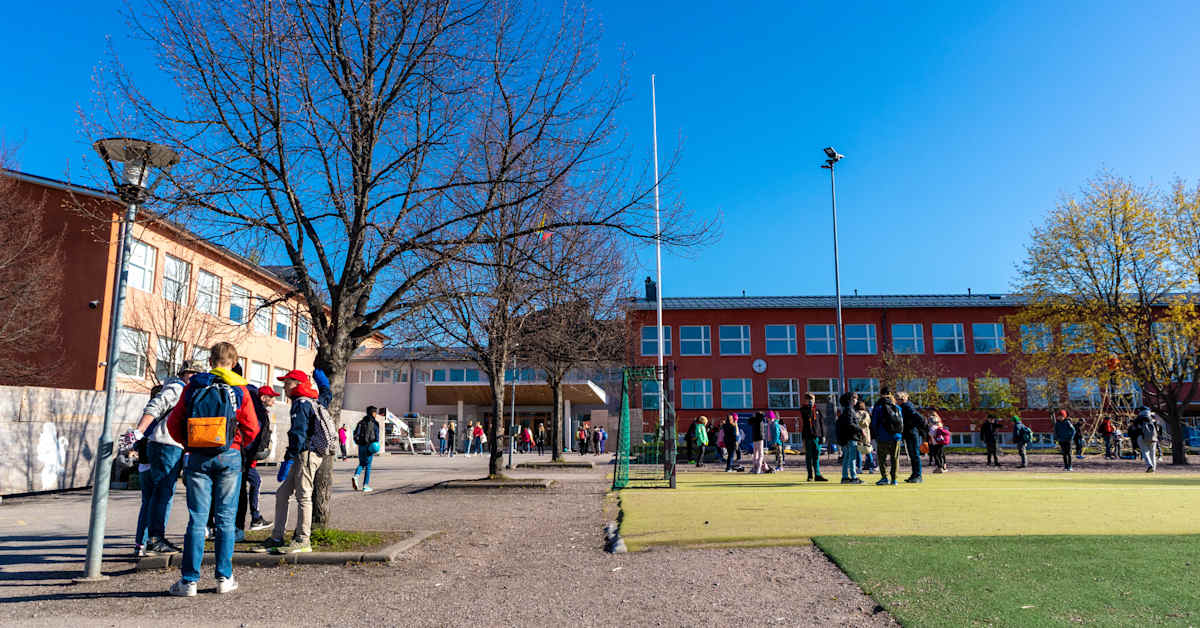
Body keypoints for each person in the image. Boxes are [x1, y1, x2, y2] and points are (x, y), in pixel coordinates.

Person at [164, 342, 259, 597]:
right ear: (234, 361)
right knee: (226, 519)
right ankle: (224, 578)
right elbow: (252, 428)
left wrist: (190, 444)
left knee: (197, 518)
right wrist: (236, 445)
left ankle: (189, 581)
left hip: (197, 457)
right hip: (229, 456)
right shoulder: (240, 388)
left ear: (210, 361)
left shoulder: (194, 385)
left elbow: (173, 423)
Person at [132, 359, 205, 557]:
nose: (195, 378)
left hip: (166, 445)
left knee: (155, 496)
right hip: (166, 445)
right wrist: (138, 431)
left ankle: (145, 542)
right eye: (192, 374)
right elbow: (156, 406)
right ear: (185, 374)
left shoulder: (184, 389)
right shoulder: (178, 388)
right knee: (163, 494)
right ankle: (156, 540)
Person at [256, 369, 325, 555]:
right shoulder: (311, 400)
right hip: (304, 453)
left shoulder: (301, 403)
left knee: (303, 495)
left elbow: (298, 433)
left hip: (305, 453)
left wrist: (288, 459)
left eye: (288, 383)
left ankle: (303, 539)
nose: (284, 386)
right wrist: (324, 385)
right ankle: (277, 537)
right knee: (282, 493)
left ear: (298, 384)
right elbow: (327, 397)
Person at [242, 384, 278, 532]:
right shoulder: (259, 413)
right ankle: (255, 518)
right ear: (263, 398)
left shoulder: (257, 410)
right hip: (246, 457)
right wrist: (253, 454)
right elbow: (254, 435)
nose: (274, 401)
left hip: (246, 456)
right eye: (272, 398)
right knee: (255, 481)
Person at [871, 391, 903, 486]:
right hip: (896, 436)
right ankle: (894, 479)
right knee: (895, 458)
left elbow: (874, 423)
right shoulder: (897, 408)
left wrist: (876, 434)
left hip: (882, 436)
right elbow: (901, 422)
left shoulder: (878, 408)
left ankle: (884, 477)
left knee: (882, 459)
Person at [897, 391, 928, 483]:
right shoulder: (905, 407)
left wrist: (911, 426)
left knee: (914, 455)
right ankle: (914, 474)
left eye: (897, 399)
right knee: (912, 455)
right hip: (909, 433)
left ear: (902, 399)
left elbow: (920, 418)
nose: (896, 401)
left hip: (911, 433)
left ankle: (918, 475)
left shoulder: (907, 407)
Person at [352, 409, 381, 492]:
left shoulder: (361, 422)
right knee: (368, 466)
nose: (376, 414)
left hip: (361, 446)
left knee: (361, 463)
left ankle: (356, 476)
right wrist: (375, 446)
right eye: (375, 412)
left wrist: (358, 442)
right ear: (373, 413)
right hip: (369, 446)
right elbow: (377, 436)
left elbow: (355, 433)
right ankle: (365, 485)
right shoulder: (375, 423)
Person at [800, 393, 827, 482]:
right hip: (808, 436)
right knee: (809, 456)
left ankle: (818, 474)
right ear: (806, 400)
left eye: (813, 399)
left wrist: (823, 435)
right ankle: (810, 475)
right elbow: (807, 418)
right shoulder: (804, 409)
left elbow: (821, 423)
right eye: (810, 399)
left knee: (816, 456)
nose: (812, 401)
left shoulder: (818, 410)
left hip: (817, 436)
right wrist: (810, 408)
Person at [836, 401, 863, 484]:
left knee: (846, 458)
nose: (856, 400)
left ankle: (845, 477)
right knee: (852, 458)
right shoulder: (850, 410)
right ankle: (853, 477)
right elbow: (850, 424)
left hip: (845, 438)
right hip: (851, 437)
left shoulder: (845, 411)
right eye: (855, 398)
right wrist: (860, 429)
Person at [1134, 408, 1159, 472]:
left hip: (1142, 437)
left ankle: (1149, 465)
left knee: (1145, 452)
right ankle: (1154, 468)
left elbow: (1134, 428)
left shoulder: (1138, 419)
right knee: (1152, 454)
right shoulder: (1152, 418)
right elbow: (1158, 429)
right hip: (1153, 438)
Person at [855, 401, 874, 474]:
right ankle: (871, 467)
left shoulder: (856, 413)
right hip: (866, 434)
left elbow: (856, 423)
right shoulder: (867, 414)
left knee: (859, 451)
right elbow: (867, 423)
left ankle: (859, 468)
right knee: (868, 451)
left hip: (858, 434)